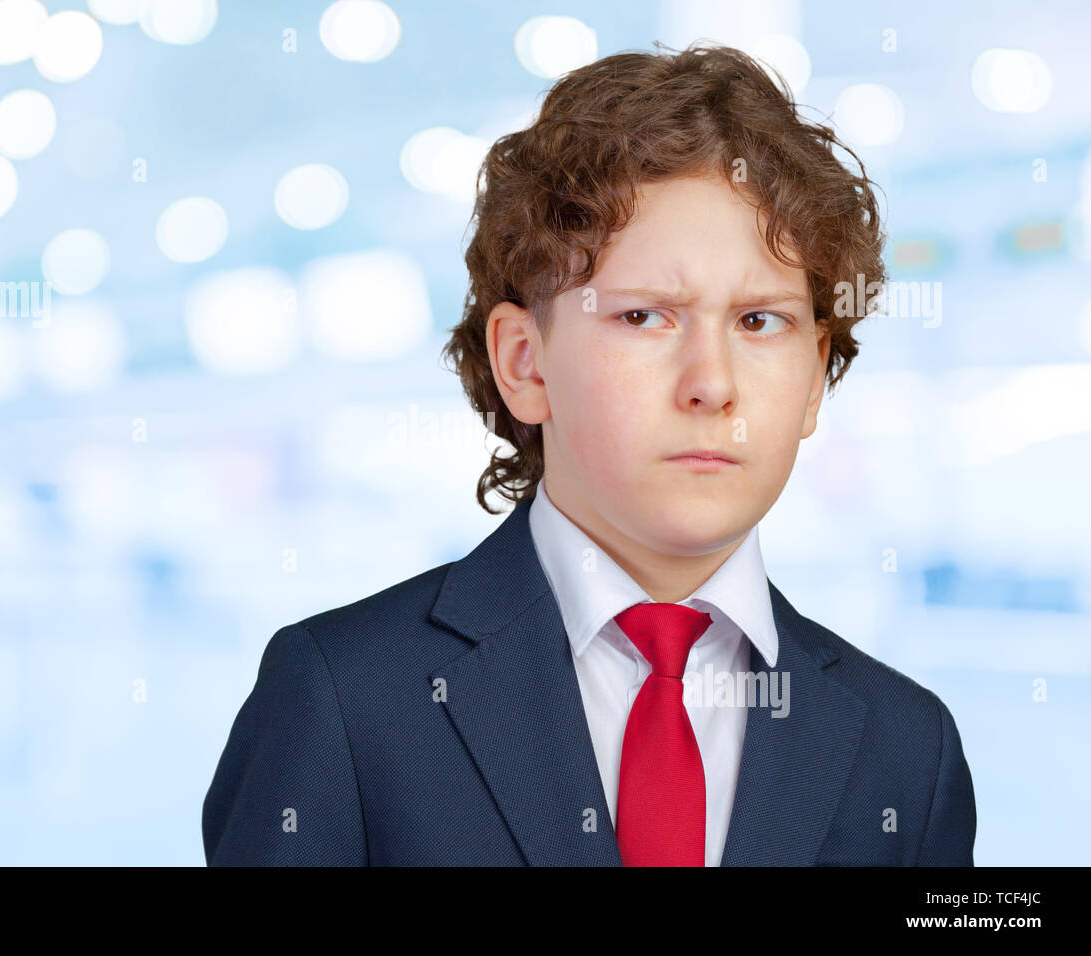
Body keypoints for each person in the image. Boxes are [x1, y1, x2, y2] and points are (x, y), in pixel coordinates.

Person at [201, 41, 976, 866]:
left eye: (760, 322)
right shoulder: (343, 702)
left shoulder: (905, 750)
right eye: (645, 317)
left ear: (816, 380)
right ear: (525, 363)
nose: (712, 386)